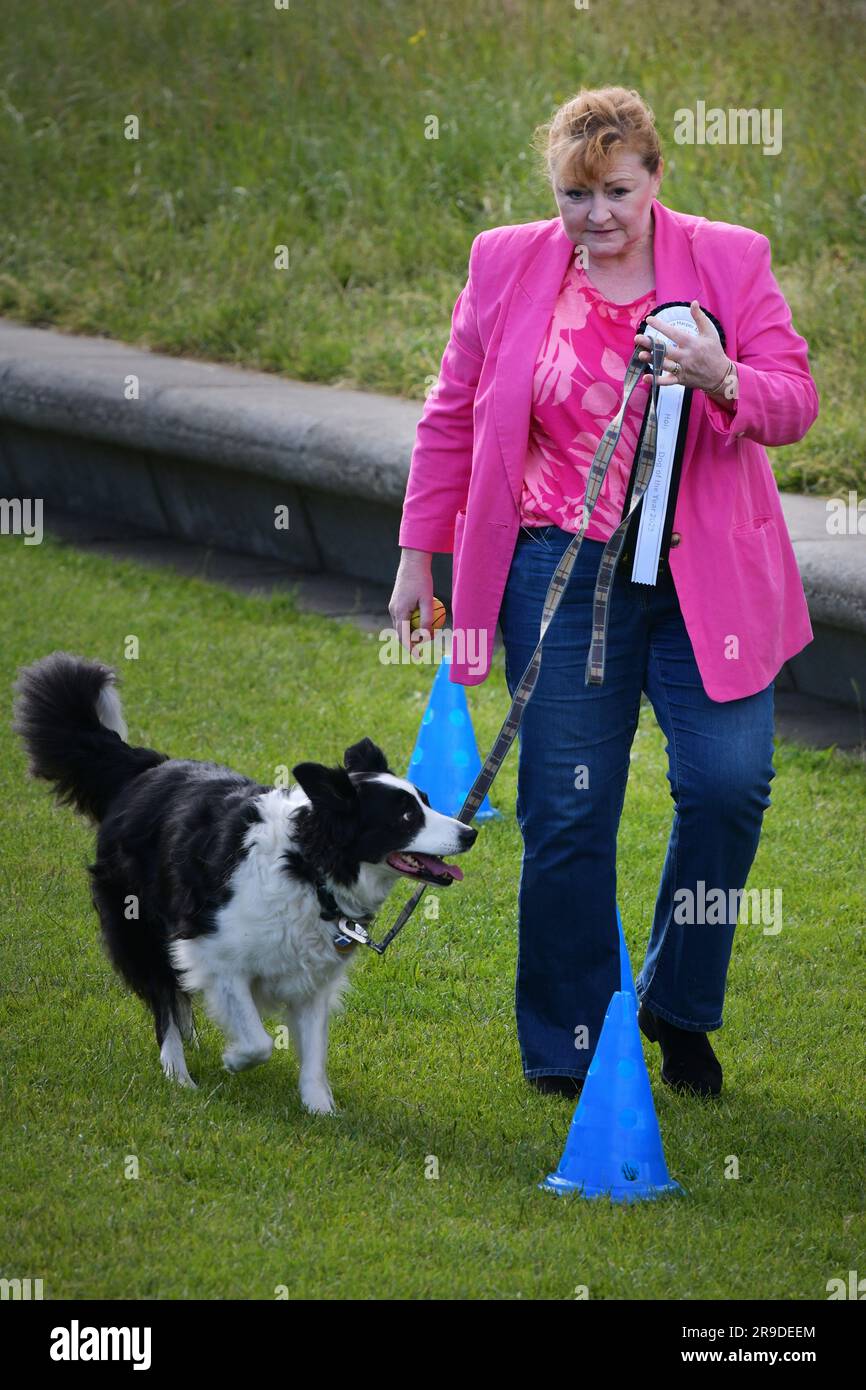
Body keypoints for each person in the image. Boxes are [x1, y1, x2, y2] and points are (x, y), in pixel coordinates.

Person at [388, 86, 818, 1099]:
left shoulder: (727, 257)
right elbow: (451, 414)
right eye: (575, 195)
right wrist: (417, 554)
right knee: (566, 811)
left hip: (700, 576)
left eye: (616, 191)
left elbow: (793, 399)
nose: (597, 215)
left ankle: (674, 1001)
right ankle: (569, 1042)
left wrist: (721, 375)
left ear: (655, 177)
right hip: (558, 569)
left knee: (725, 784)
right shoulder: (504, 262)